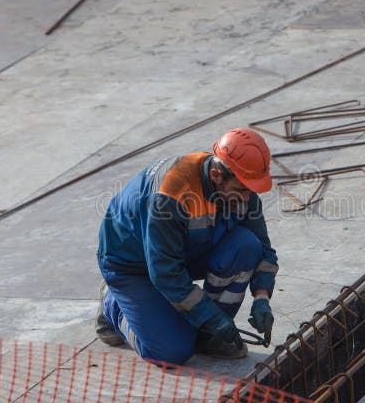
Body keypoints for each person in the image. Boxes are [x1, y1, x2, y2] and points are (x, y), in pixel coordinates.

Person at [95, 128, 279, 365]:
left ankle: (207, 336)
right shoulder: (170, 195)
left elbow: (263, 249)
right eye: (241, 190)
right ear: (216, 175)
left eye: (250, 190)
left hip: (181, 251)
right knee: (171, 353)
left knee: (246, 246)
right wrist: (213, 318)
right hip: (131, 266)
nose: (247, 198)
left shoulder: (241, 186)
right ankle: (113, 307)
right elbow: (165, 274)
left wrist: (262, 297)